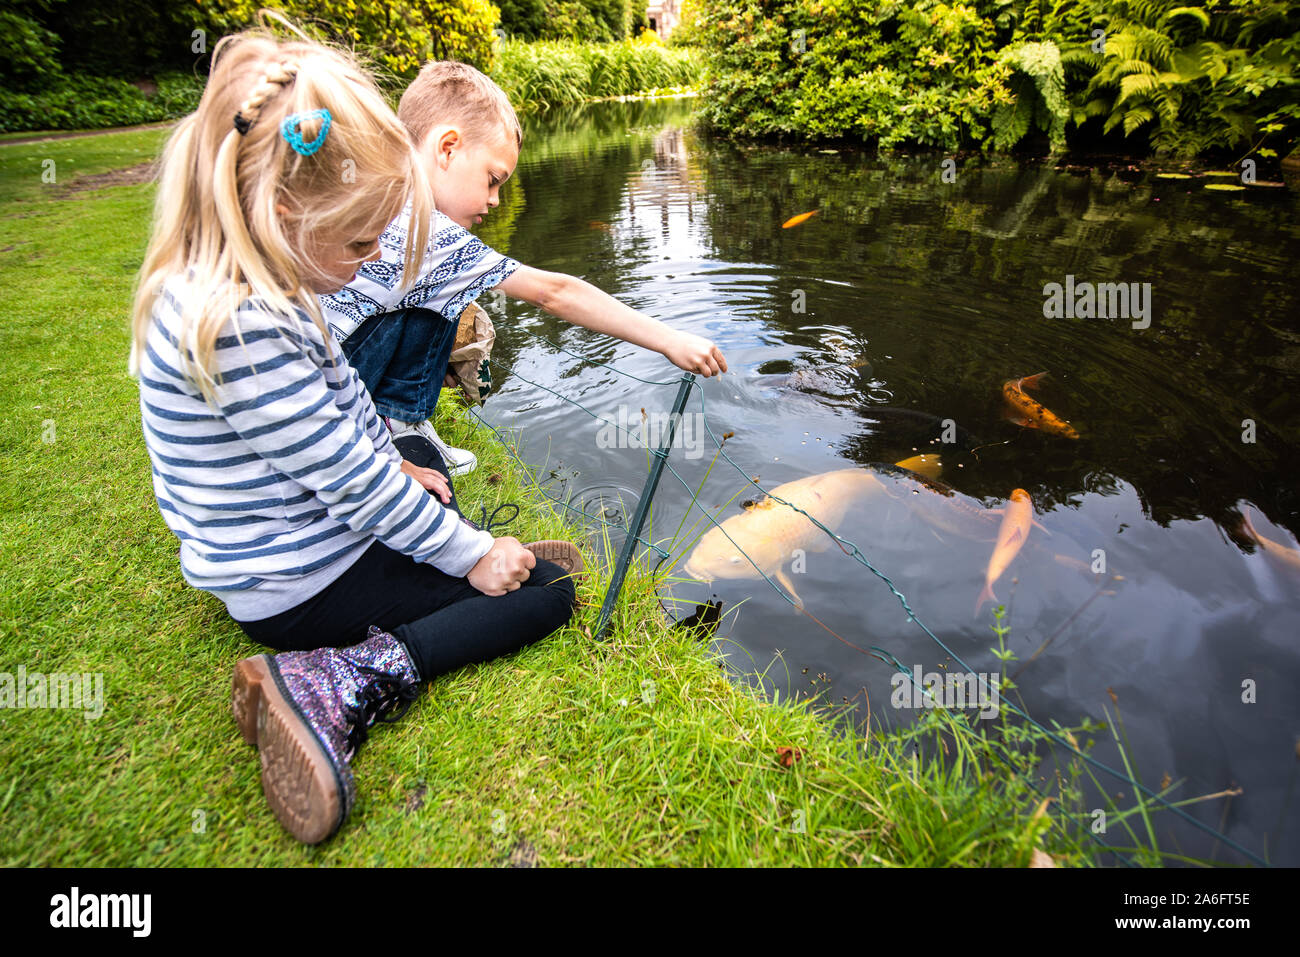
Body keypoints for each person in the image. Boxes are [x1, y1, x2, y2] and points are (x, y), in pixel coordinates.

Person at [129, 29, 582, 846]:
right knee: (548, 596)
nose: (372, 259)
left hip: (285, 528)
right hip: (292, 579)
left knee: (412, 457)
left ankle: (473, 559)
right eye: (361, 242)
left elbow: (346, 405)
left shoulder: (260, 281)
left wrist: (400, 467)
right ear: (283, 212)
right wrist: (468, 554)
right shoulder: (243, 325)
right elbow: (351, 483)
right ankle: (332, 681)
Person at [321, 60, 728, 477]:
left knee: (455, 285)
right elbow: (554, 293)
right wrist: (669, 339)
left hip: (318, 375)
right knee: (456, 282)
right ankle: (397, 422)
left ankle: (393, 420)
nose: (496, 199)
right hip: (328, 397)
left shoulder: (374, 187)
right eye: (493, 179)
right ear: (447, 148)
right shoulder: (428, 232)